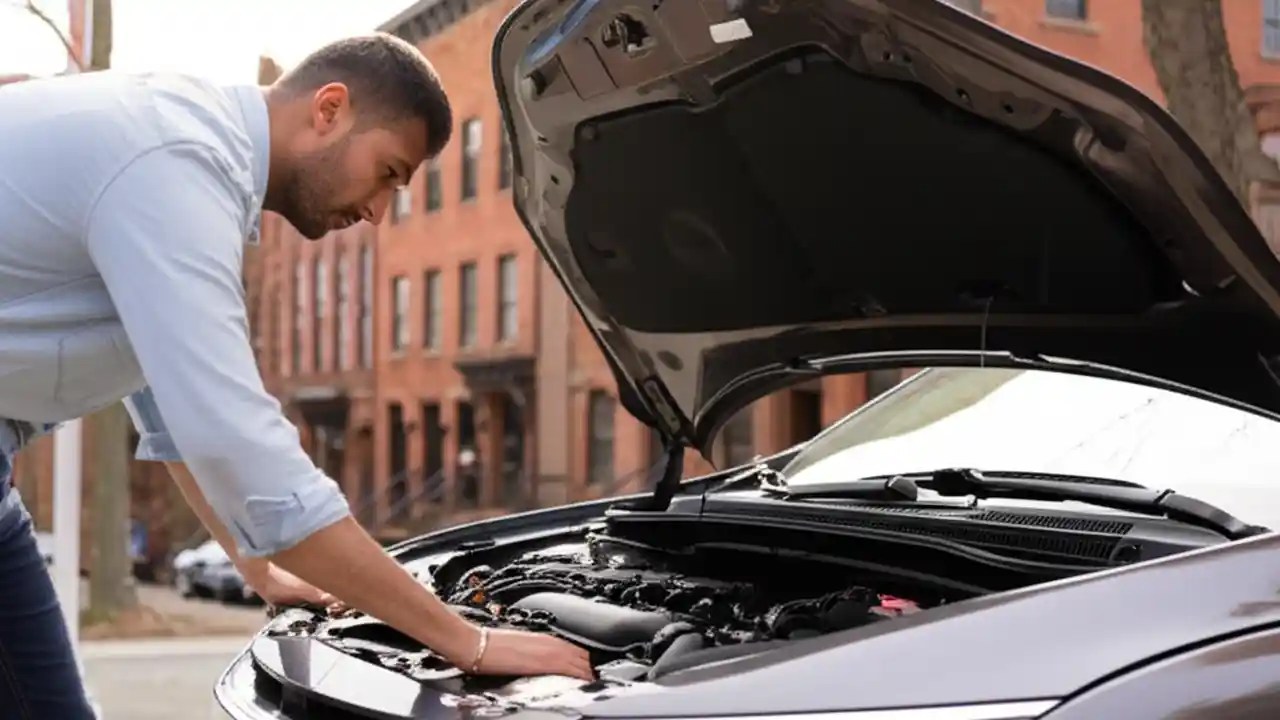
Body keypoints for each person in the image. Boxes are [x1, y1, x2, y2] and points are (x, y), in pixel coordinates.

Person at [0, 33, 591, 718]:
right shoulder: (177, 165)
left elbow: (169, 404)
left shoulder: (187, 145)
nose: (377, 212)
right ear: (329, 109)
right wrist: (469, 643)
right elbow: (237, 444)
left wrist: (257, 568)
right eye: (387, 173)